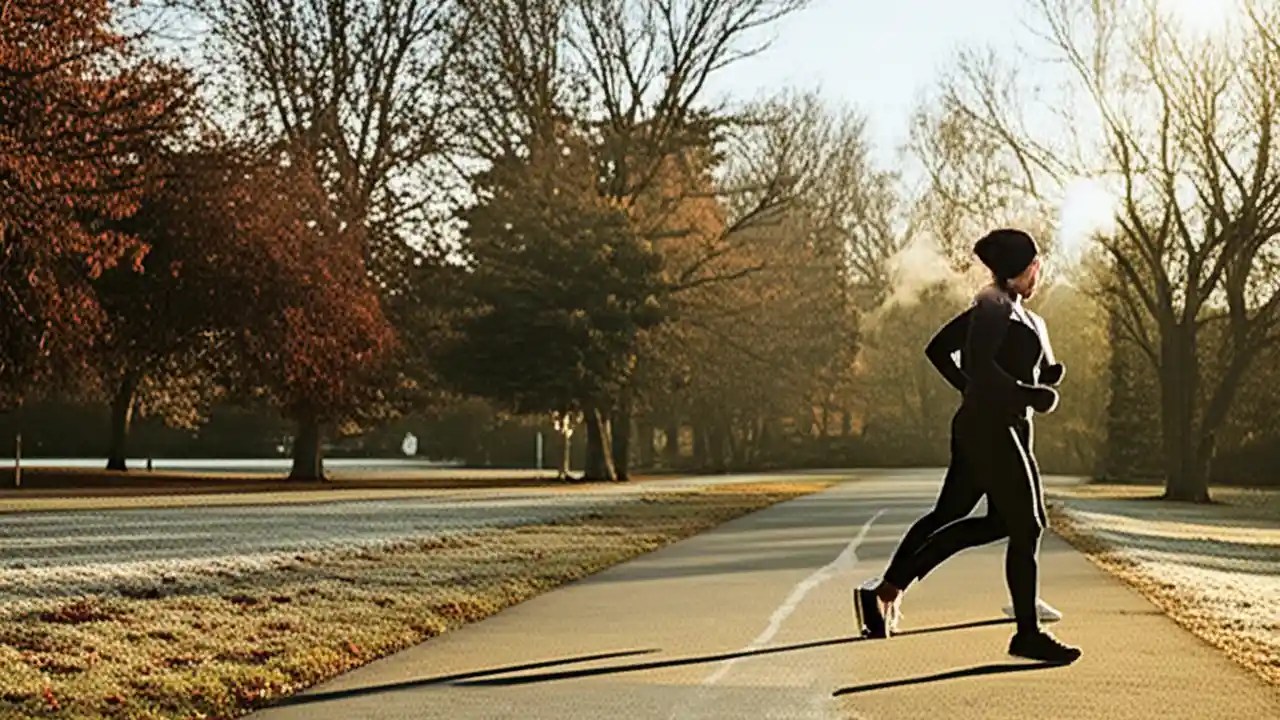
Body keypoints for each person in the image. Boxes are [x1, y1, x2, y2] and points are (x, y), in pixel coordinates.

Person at [854, 228, 1082, 665]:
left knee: (974, 519)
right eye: (1036, 265)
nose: (1040, 273)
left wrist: (1042, 378)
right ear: (1024, 268)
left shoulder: (1015, 311)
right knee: (1027, 525)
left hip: (1000, 426)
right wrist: (1014, 393)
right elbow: (974, 363)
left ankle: (885, 590)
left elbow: (975, 358)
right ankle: (1027, 635)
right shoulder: (993, 306)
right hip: (991, 428)